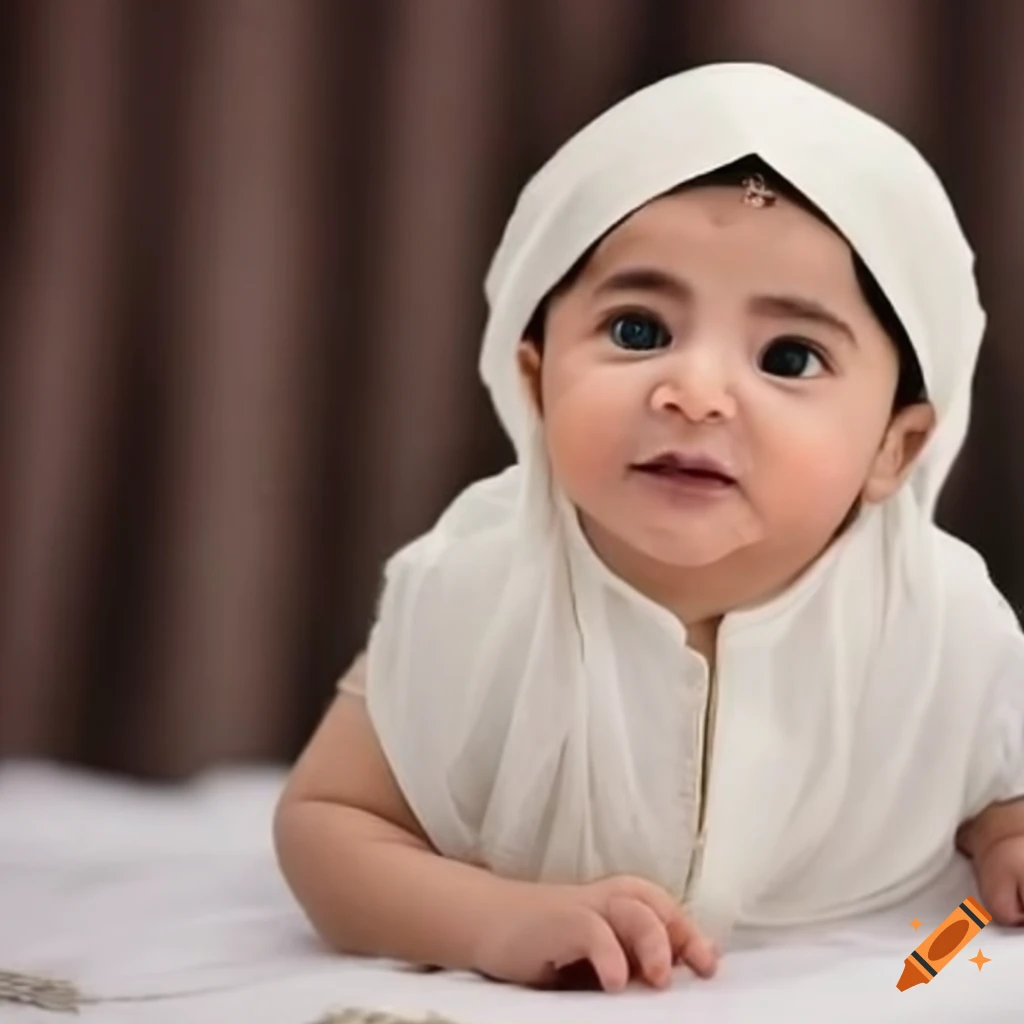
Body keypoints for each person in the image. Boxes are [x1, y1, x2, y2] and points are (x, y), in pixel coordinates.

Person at [274, 63, 1024, 993]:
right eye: (638, 331)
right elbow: (328, 822)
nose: (696, 393)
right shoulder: (479, 586)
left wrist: (1005, 837)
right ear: (536, 377)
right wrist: (490, 918)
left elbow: (996, 781)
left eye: (789, 357)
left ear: (895, 448)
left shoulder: (943, 621)